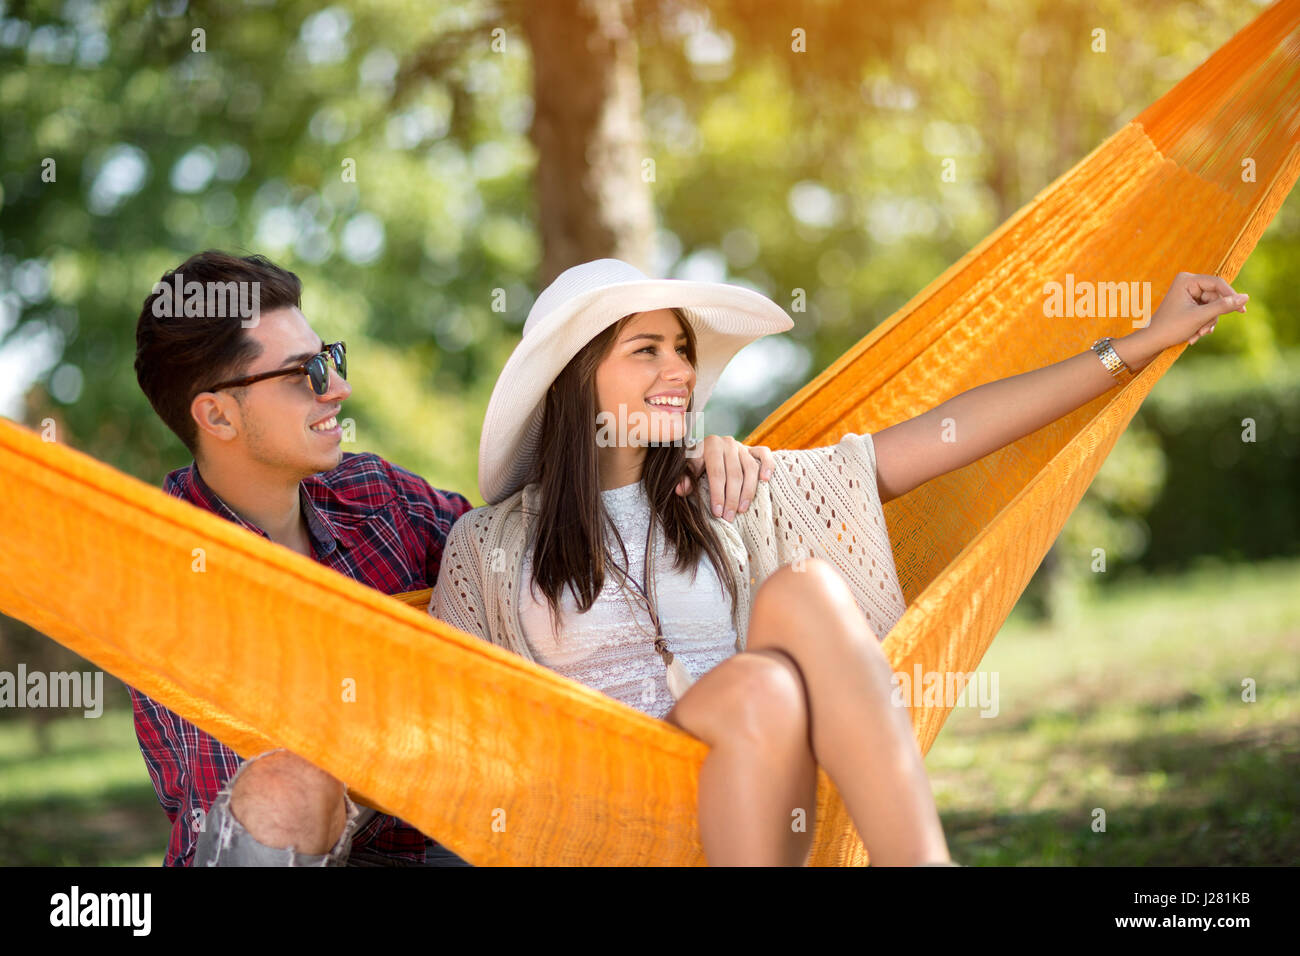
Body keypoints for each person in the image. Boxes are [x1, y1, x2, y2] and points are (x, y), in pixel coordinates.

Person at [431, 258, 1247, 866]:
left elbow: (945, 434)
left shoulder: (729, 487)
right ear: (578, 380)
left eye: (682, 349)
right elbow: (437, 723)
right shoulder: (489, 548)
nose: (679, 368)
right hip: (603, 814)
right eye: (646, 350)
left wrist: (1137, 344)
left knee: (801, 598)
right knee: (760, 683)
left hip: (759, 778)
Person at [130, 250, 769, 866]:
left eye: (330, 359)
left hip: (462, 837)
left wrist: (673, 469)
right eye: (307, 374)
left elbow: (530, 539)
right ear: (217, 415)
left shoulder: (377, 498)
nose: (339, 389)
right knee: (286, 790)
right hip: (314, 852)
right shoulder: (171, 584)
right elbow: (250, 814)